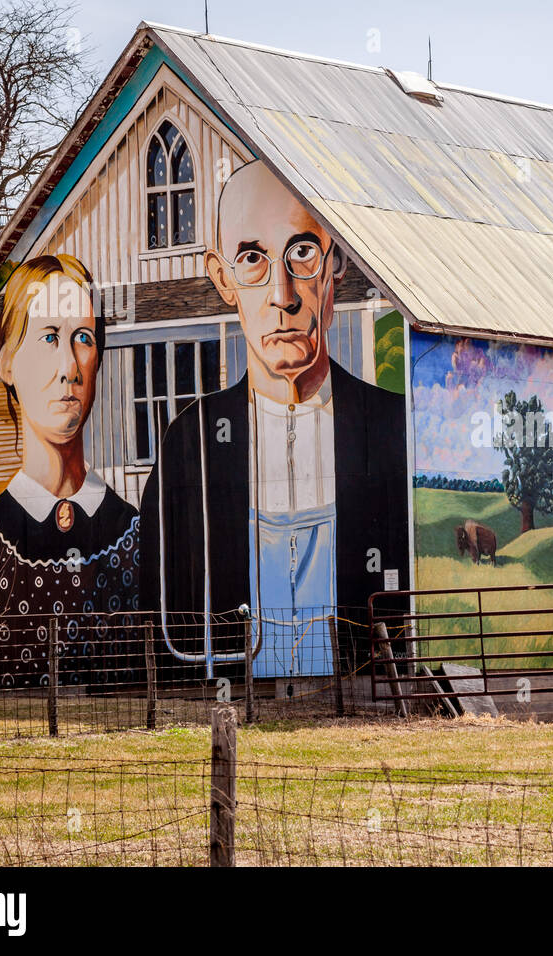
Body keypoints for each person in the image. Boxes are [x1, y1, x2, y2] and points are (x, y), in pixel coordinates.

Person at [140, 160, 408, 681]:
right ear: (223, 278)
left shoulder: (392, 429)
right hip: (233, 709)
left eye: (302, 252)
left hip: (361, 715)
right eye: (253, 260)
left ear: (336, 263)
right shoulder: (188, 446)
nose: (282, 296)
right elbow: (160, 616)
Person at [0, 254, 140, 690]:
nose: (69, 369)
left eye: (83, 338)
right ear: (7, 363)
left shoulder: (137, 536)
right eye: (47, 338)